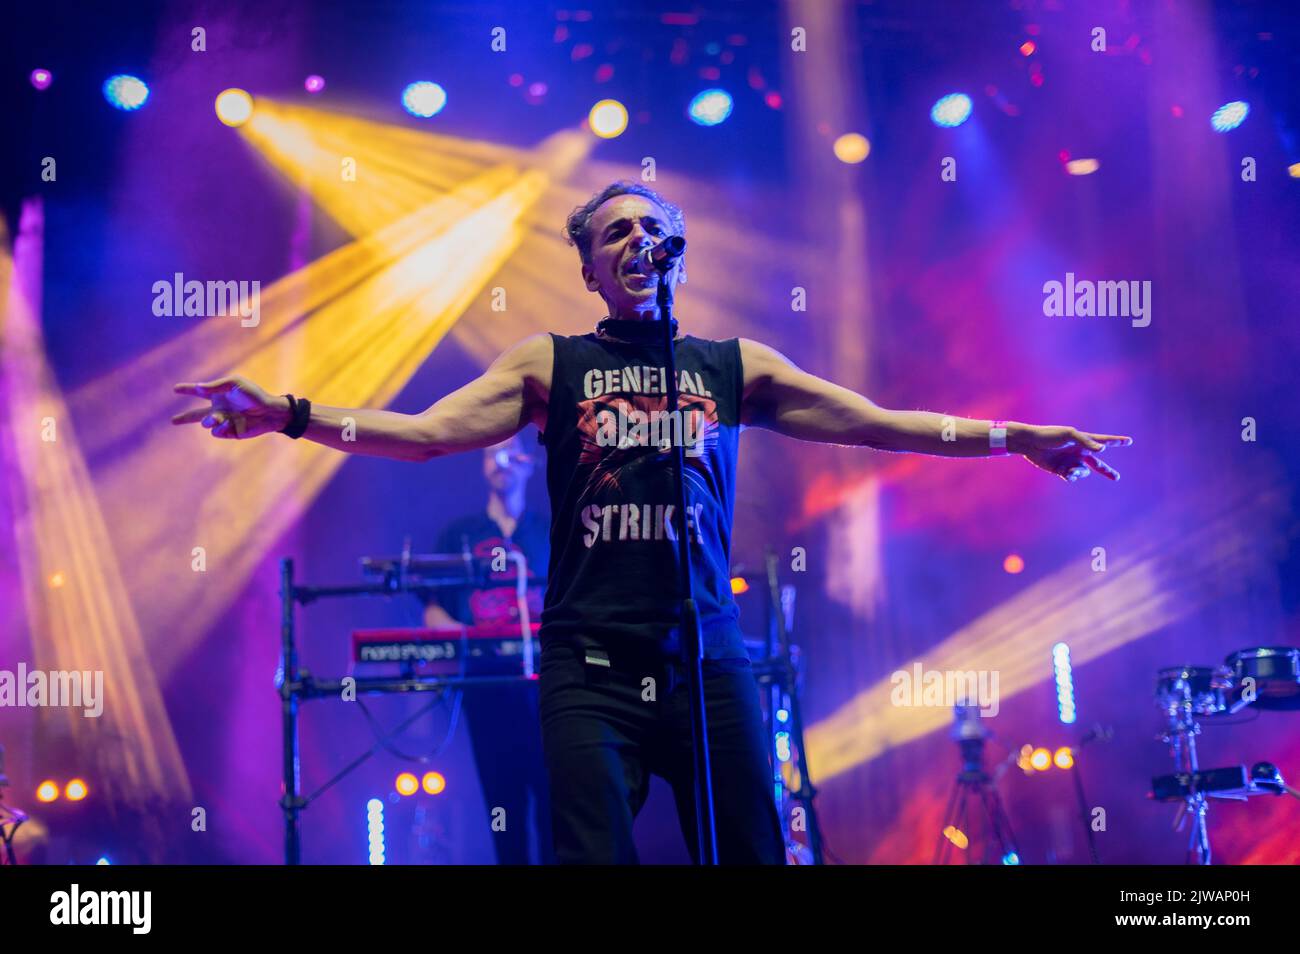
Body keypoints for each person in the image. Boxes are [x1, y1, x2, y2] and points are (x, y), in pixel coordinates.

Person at [173, 180, 1132, 864]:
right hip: (588, 663)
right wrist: (288, 414)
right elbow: (423, 437)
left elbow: (879, 425)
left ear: (676, 252)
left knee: (753, 848)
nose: (637, 242)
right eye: (616, 233)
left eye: (653, 230)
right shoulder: (546, 362)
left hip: (709, 660)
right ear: (590, 269)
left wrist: (1015, 437)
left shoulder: (731, 364)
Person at [423, 435, 553, 865]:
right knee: (503, 806)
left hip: (549, 690)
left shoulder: (552, 531)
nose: (501, 461)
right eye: (490, 453)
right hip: (487, 689)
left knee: (556, 810)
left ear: (531, 463)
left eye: (513, 452)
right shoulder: (458, 534)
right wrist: (475, 639)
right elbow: (434, 613)